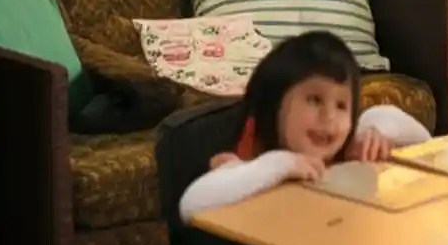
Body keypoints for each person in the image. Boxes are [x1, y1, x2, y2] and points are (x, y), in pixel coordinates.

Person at [177, 31, 430, 222]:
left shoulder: (349, 144)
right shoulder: (253, 161)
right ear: (274, 104)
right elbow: (191, 204)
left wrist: (375, 131)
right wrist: (278, 165)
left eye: (342, 106)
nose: (329, 117)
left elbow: (424, 139)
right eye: (314, 100)